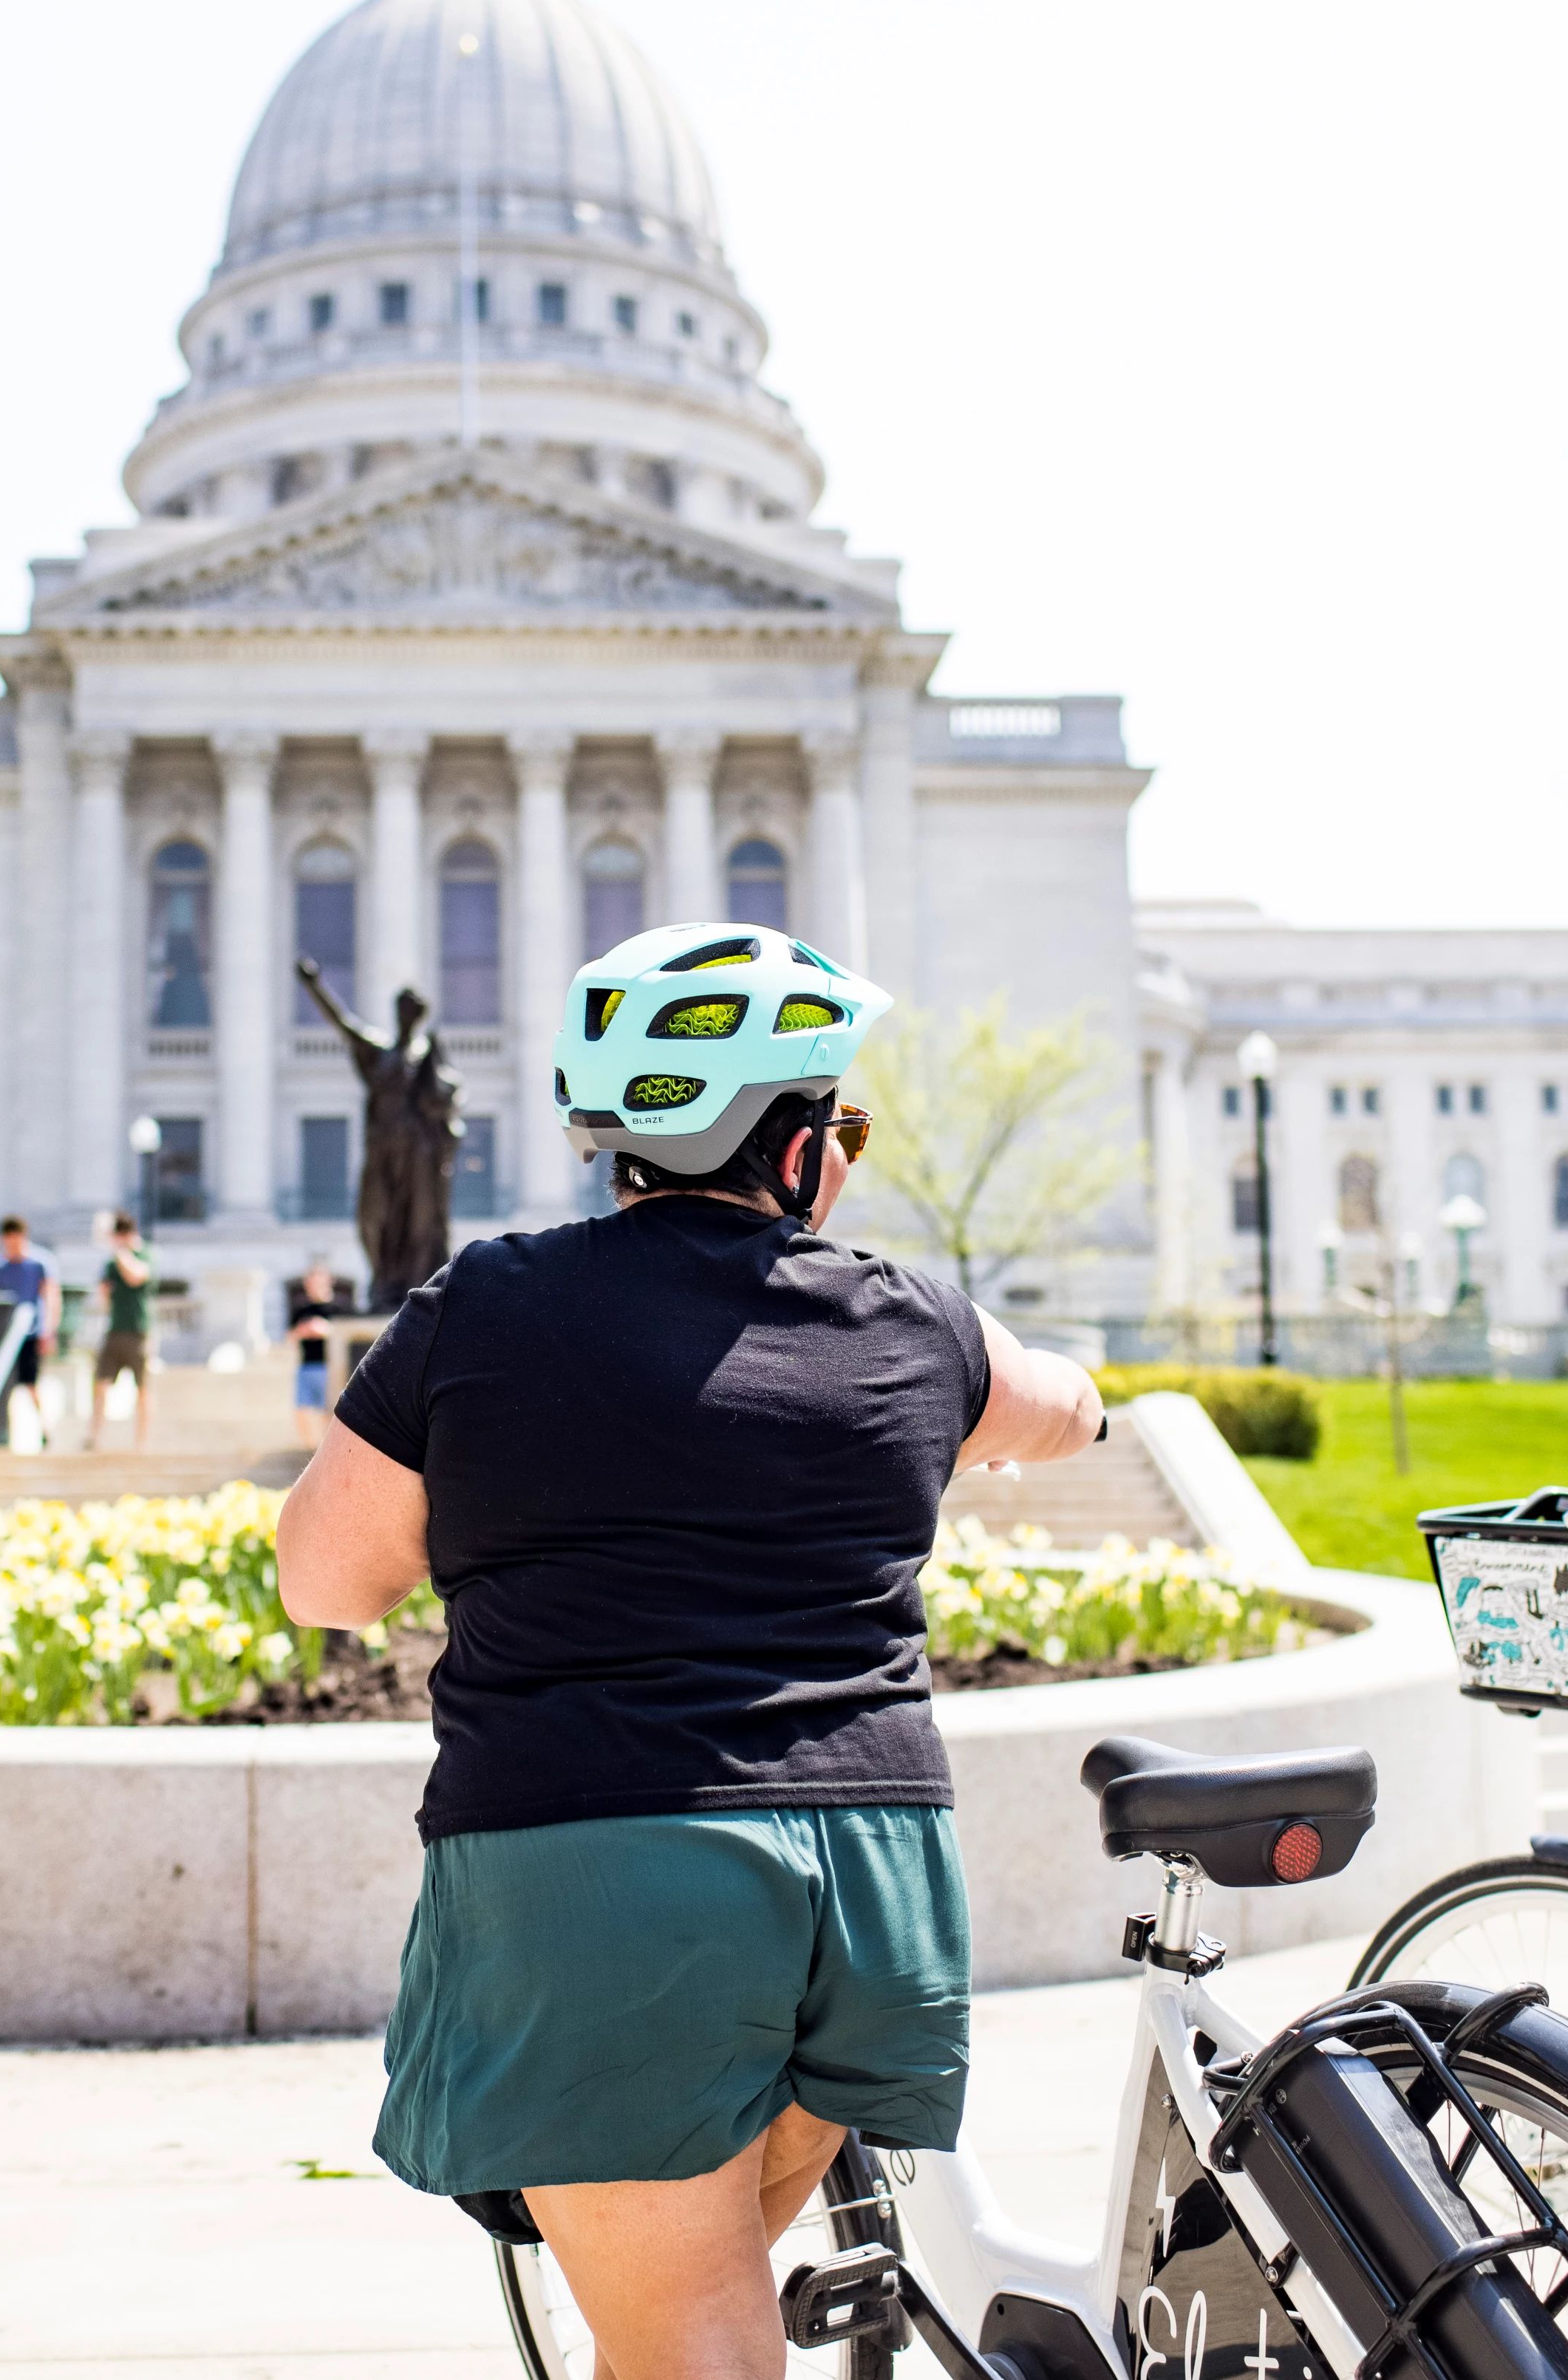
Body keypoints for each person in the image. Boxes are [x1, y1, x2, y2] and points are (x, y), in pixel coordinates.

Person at [276, 921, 1103, 2377]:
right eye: (840, 1121)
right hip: (876, 1888)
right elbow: (1069, 1408)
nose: (848, 1151)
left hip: (609, 1879)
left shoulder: (484, 1310)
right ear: (791, 1146)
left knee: (691, 2338)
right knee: (690, 2298)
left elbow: (321, 1584)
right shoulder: (915, 1321)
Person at [0, 1216, 59, 1451]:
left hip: (30, 1334)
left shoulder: (39, 1263)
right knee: (1, 1387)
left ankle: (44, 1428)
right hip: (3, 1336)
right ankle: (3, 1435)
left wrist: (49, 1330)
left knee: (31, 1384)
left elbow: (51, 1296)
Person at [85, 1213, 154, 1452]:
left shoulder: (144, 1254)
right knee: (100, 1384)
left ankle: (142, 1441)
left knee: (142, 1388)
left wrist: (119, 1252)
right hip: (114, 1331)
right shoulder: (110, 1264)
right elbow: (102, 1296)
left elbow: (136, 1277)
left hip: (138, 1331)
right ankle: (95, 1438)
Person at [287, 1258, 341, 1445]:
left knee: (330, 1411)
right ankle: (310, 1448)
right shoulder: (302, 1310)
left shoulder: (338, 1308)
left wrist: (323, 1330)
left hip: (329, 1367)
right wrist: (303, 1331)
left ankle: (329, 1448)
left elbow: (343, 1334)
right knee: (302, 1410)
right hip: (306, 1367)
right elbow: (289, 1336)